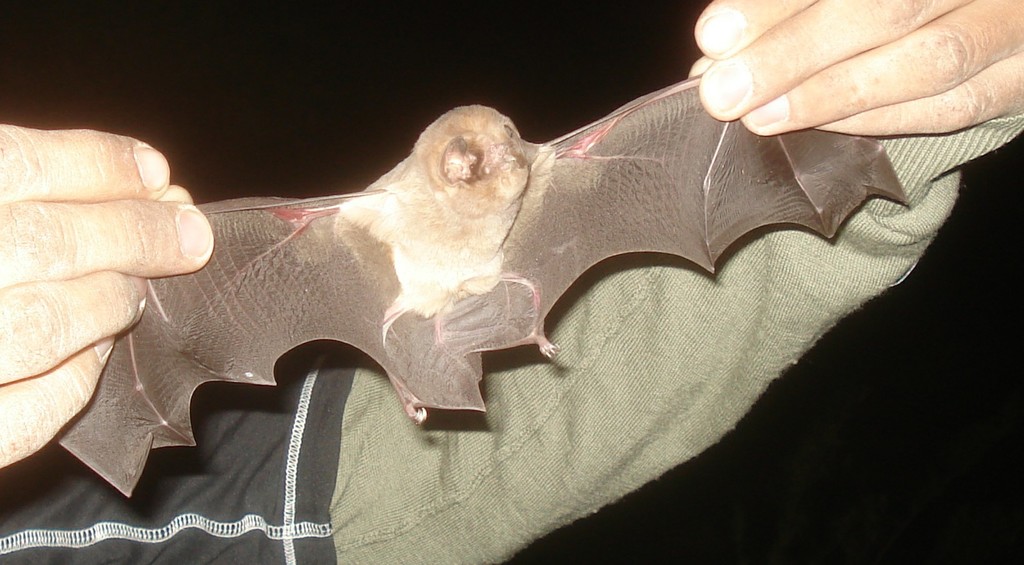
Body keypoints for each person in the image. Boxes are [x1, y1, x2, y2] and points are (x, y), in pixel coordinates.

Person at [2, 0, 1023, 561]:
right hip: (400, 297)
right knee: (187, 259)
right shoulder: (347, 226)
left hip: (480, 299)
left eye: (492, 151)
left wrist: (878, 98)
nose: (473, 164)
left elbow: (508, 446)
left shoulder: (560, 181)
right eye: (456, 153)